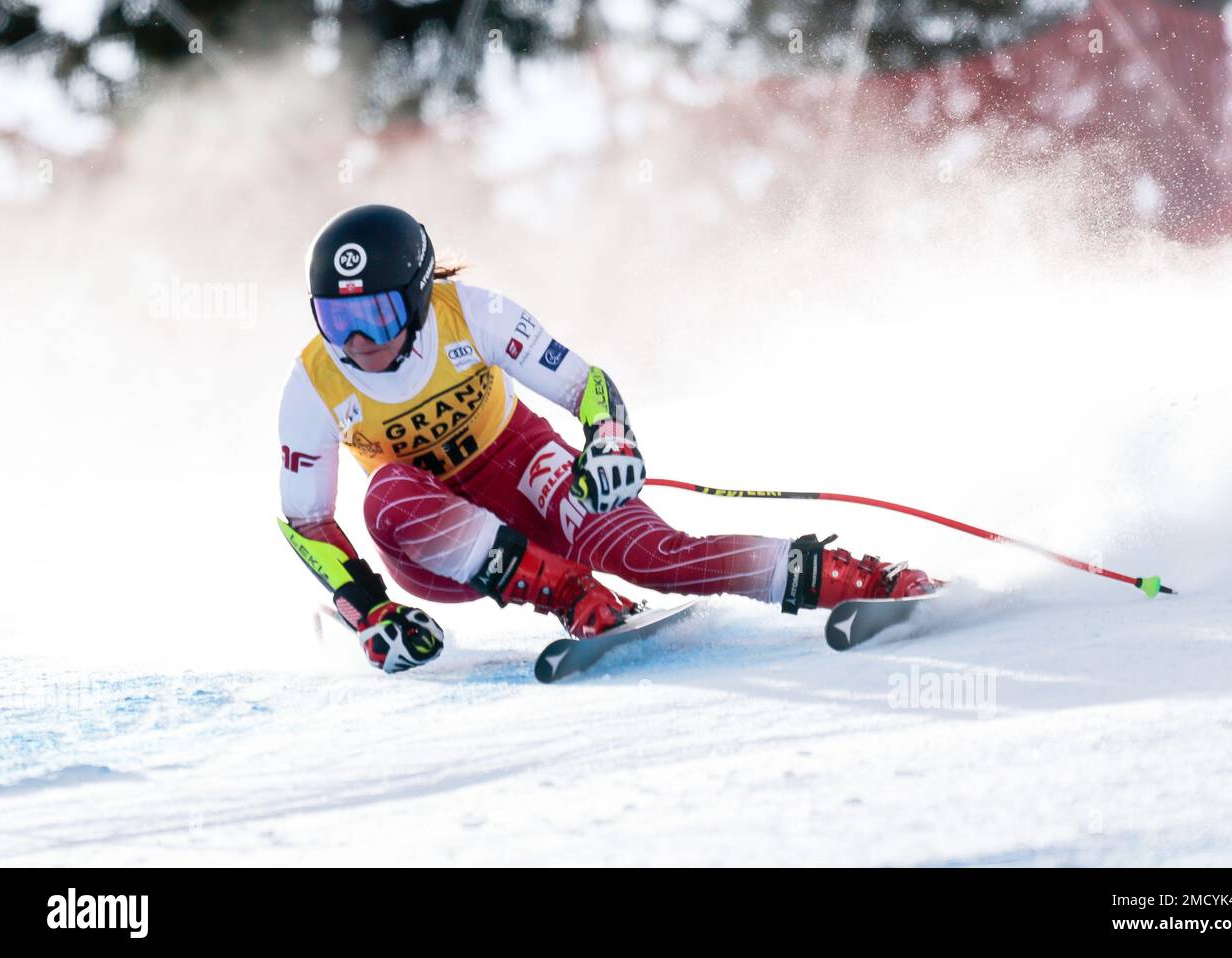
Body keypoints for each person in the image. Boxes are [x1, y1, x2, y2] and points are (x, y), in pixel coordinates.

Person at [278, 205, 934, 673]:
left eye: (378, 315)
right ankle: (571, 594)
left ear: (419, 299)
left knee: (654, 554)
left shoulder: (473, 314)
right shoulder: (313, 385)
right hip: (437, 546)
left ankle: (858, 578)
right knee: (388, 489)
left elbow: (583, 383)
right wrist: (370, 610)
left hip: (524, 464)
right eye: (337, 320)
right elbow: (305, 521)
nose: (358, 343)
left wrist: (609, 438)